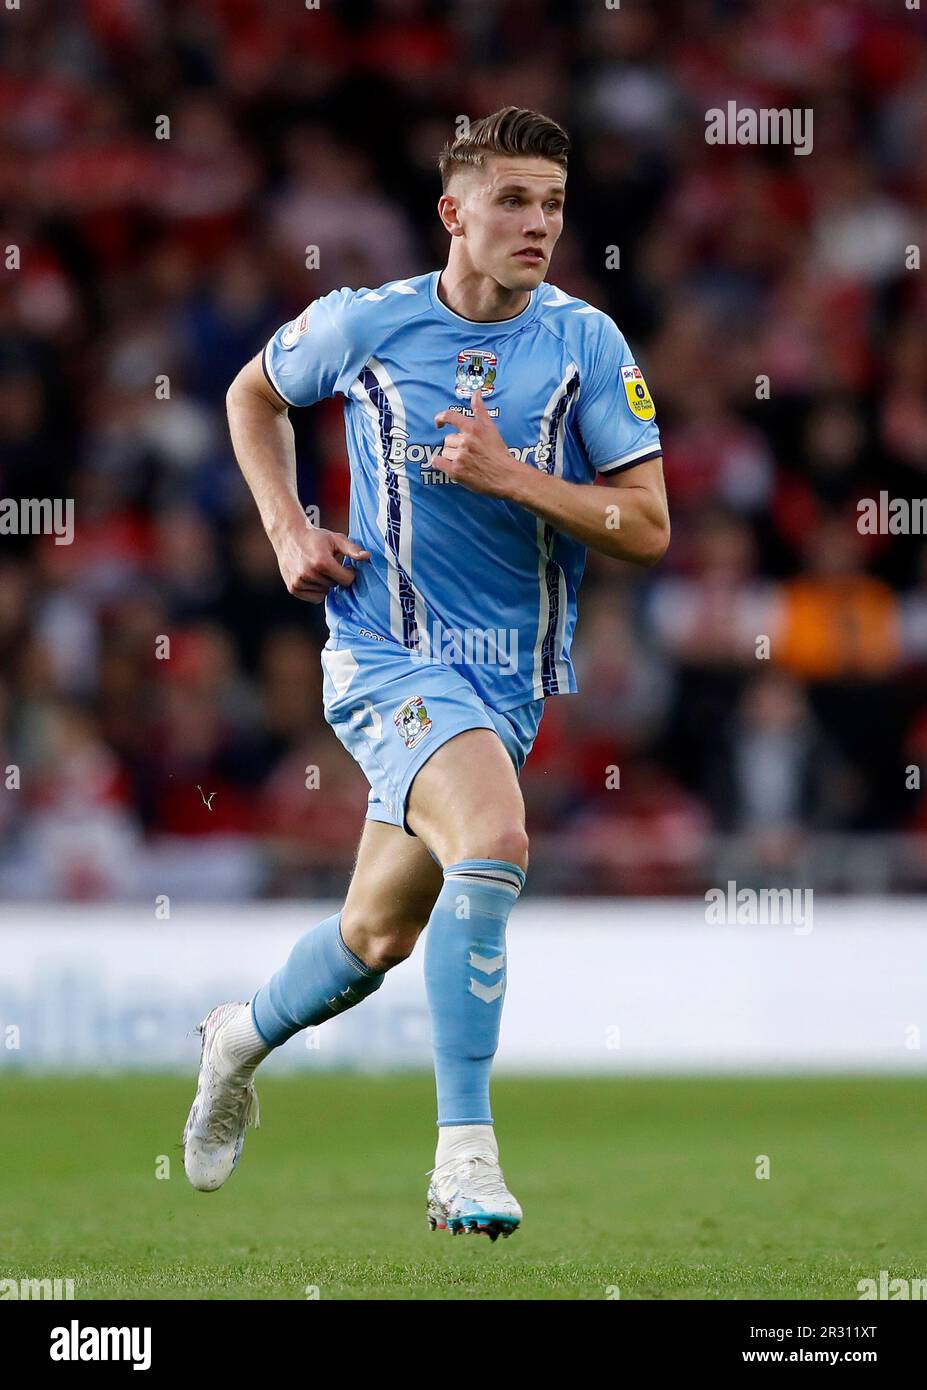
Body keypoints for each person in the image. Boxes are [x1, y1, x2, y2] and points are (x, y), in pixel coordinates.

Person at [183, 106, 670, 1240]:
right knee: (495, 842)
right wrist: (289, 531)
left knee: (375, 938)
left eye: (551, 202)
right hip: (384, 656)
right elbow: (252, 394)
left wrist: (517, 478)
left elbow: (646, 526)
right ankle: (463, 1155)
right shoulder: (366, 325)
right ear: (454, 213)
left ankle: (235, 1039)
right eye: (512, 200)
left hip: (507, 683)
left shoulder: (588, 345)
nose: (537, 222)